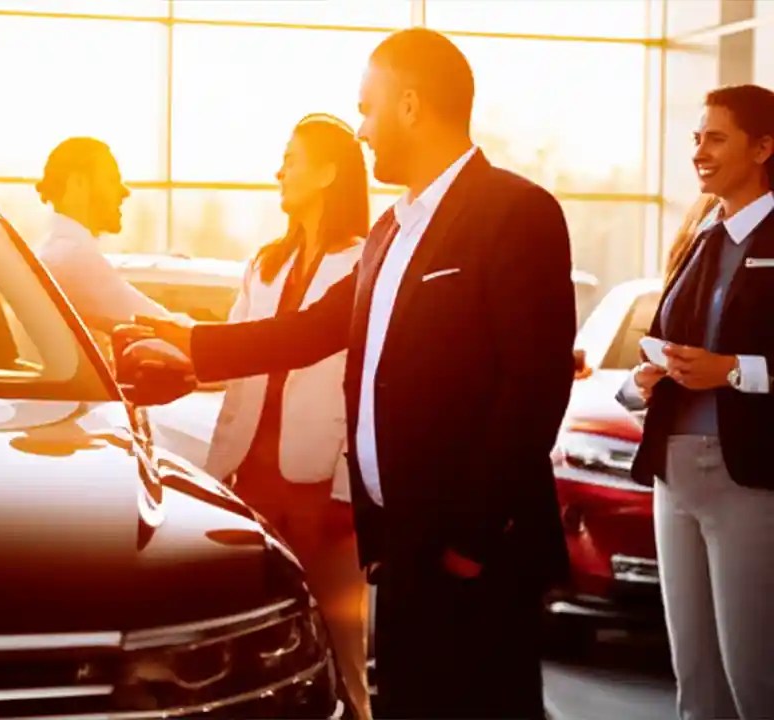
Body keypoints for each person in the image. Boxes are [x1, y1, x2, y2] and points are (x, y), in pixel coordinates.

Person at [129, 28, 575, 718]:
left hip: (473, 552)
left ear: (410, 104)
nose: (361, 131)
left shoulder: (517, 212)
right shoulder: (390, 231)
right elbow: (310, 331)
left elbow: (532, 388)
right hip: (400, 546)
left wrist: (470, 543)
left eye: (366, 109)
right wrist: (191, 348)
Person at [203, 112, 372, 720]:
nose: (279, 170)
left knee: (343, 656)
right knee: (254, 659)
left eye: (292, 159)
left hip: (321, 492)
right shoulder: (264, 264)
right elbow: (235, 361)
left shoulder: (363, 265)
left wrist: (345, 490)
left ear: (329, 172)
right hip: (251, 484)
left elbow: (365, 390)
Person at [620, 84, 774, 720]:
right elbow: (656, 347)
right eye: (695, 138)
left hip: (747, 479)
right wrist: (643, 381)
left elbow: (730, 366)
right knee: (696, 685)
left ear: (763, 147)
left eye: (716, 138)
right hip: (672, 475)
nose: (699, 152)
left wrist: (733, 371)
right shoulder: (697, 234)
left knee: (755, 681)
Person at [33, 137, 171, 339]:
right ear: (78, 183)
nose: (125, 192)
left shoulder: (59, 254)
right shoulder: (73, 259)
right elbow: (158, 324)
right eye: (112, 180)